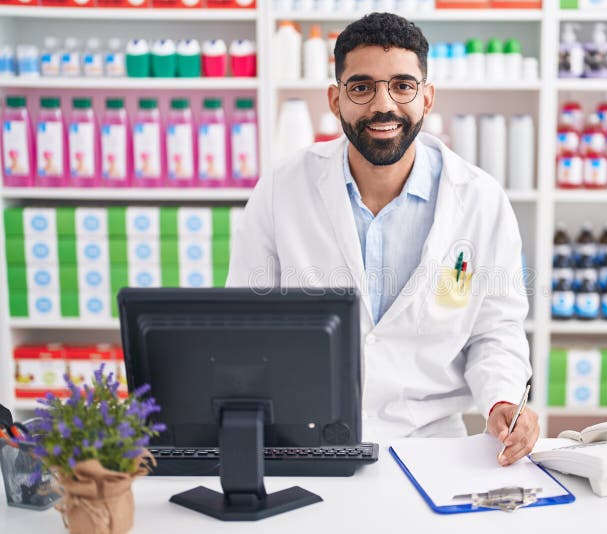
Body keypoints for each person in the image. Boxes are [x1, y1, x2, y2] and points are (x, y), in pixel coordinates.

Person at [226, 12, 538, 466]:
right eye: (361, 87)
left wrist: (502, 400)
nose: (383, 105)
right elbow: (244, 320)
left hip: (432, 447)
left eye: (402, 86)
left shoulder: (480, 200)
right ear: (335, 99)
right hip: (305, 440)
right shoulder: (281, 189)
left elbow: (496, 330)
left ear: (427, 98)